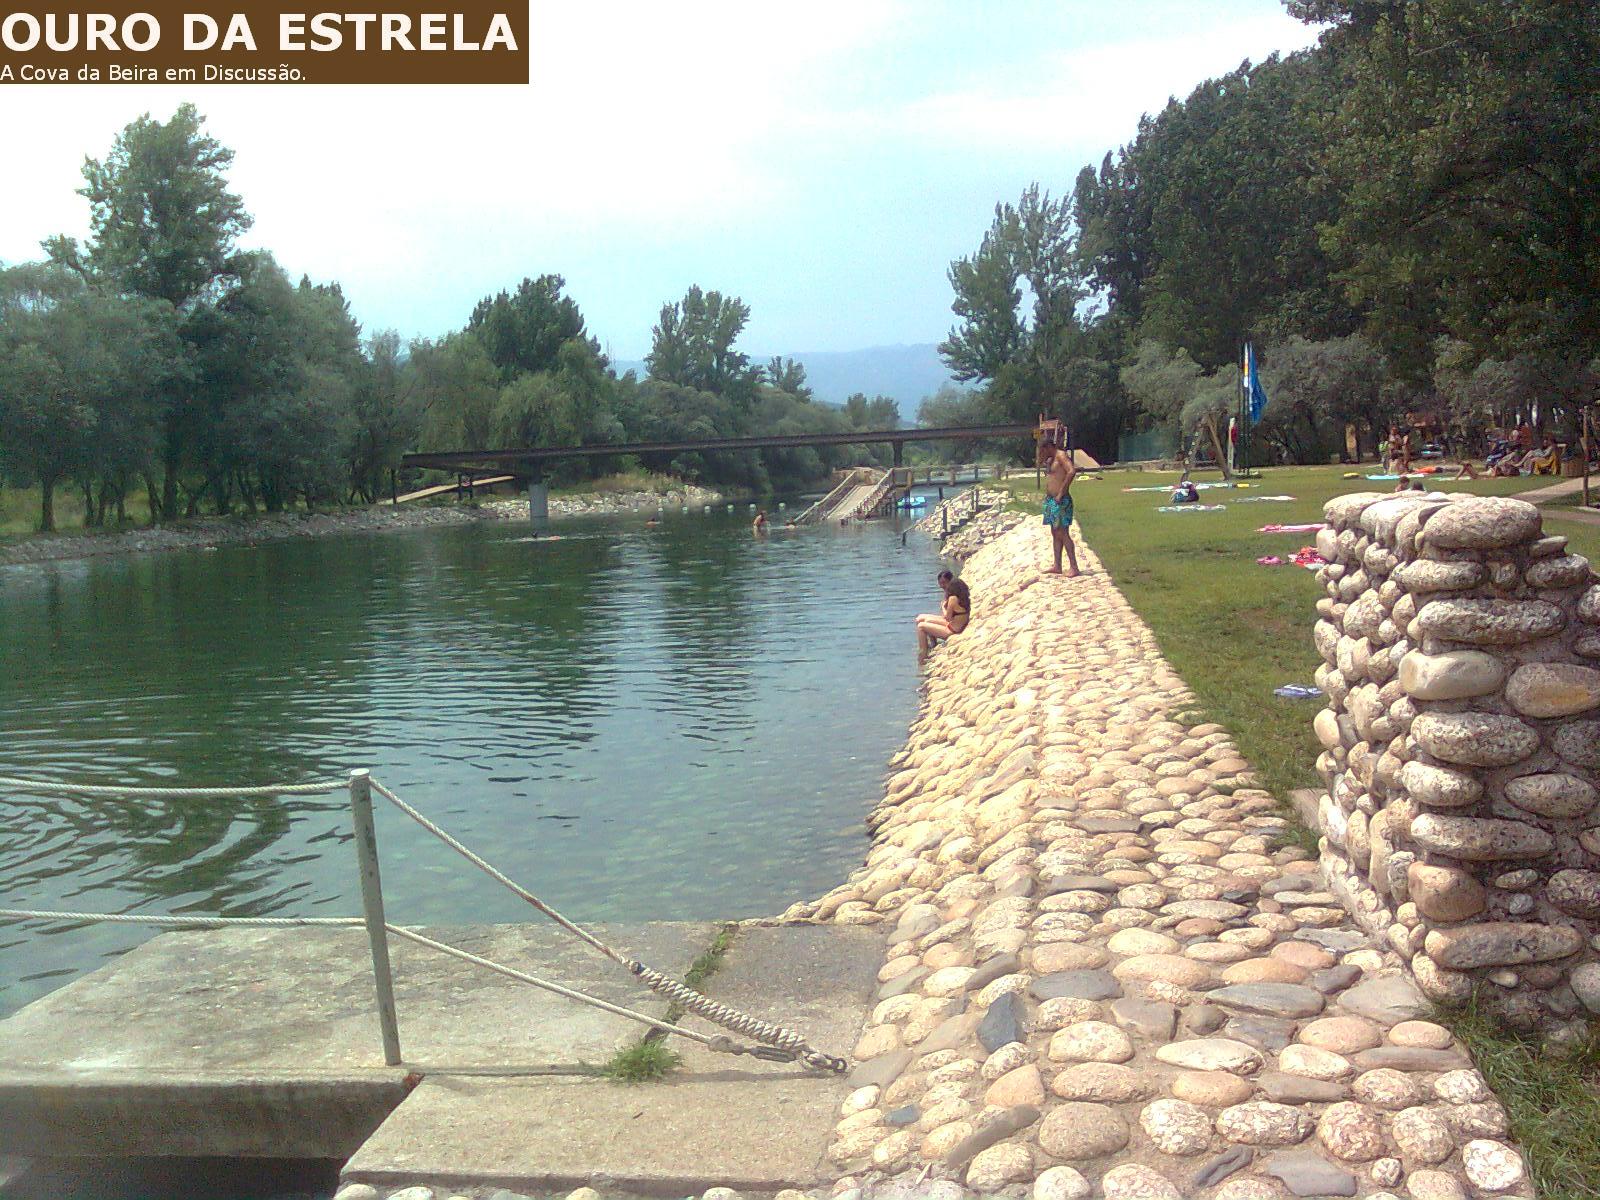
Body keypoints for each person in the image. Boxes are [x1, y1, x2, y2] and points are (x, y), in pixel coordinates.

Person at [1039, 436, 1080, 576]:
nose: (1042, 454)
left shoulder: (1061, 456)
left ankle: (1074, 566)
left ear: (1049, 447)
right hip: (1051, 500)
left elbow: (1071, 471)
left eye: (1043, 451)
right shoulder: (1050, 460)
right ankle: (1057, 565)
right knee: (1055, 532)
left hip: (1061, 500)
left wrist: (1061, 492)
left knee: (1063, 533)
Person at [916, 570, 970, 659]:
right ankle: (933, 646)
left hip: (951, 630)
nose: (942, 586)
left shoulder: (953, 598)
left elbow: (947, 618)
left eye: (944, 583)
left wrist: (943, 607)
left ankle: (923, 653)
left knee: (921, 626)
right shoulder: (963, 597)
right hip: (955, 625)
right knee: (922, 619)